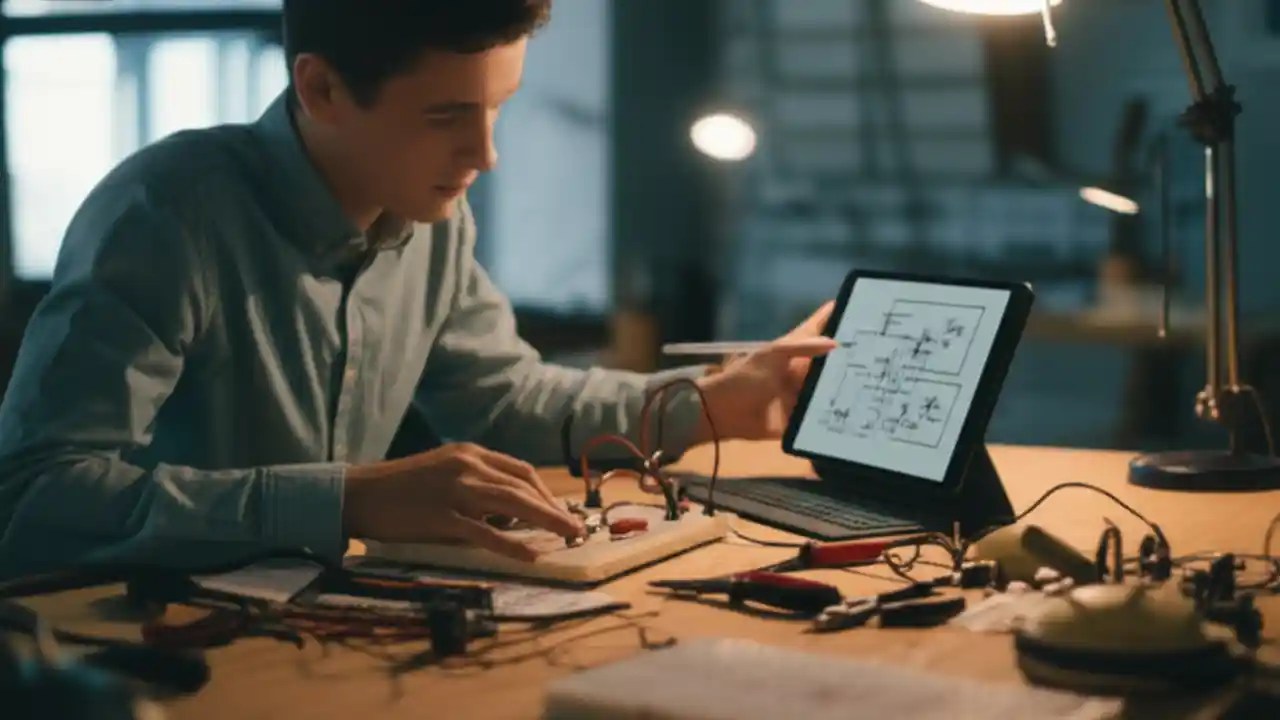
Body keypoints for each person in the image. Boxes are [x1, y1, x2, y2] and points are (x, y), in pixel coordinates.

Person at [0, 0, 834, 579]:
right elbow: (33, 496)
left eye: (499, 108)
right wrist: (348, 497)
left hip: (325, 634)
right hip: (137, 652)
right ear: (320, 88)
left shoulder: (433, 218)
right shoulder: (168, 214)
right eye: (446, 117)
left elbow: (506, 400)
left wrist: (712, 405)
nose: (486, 154)